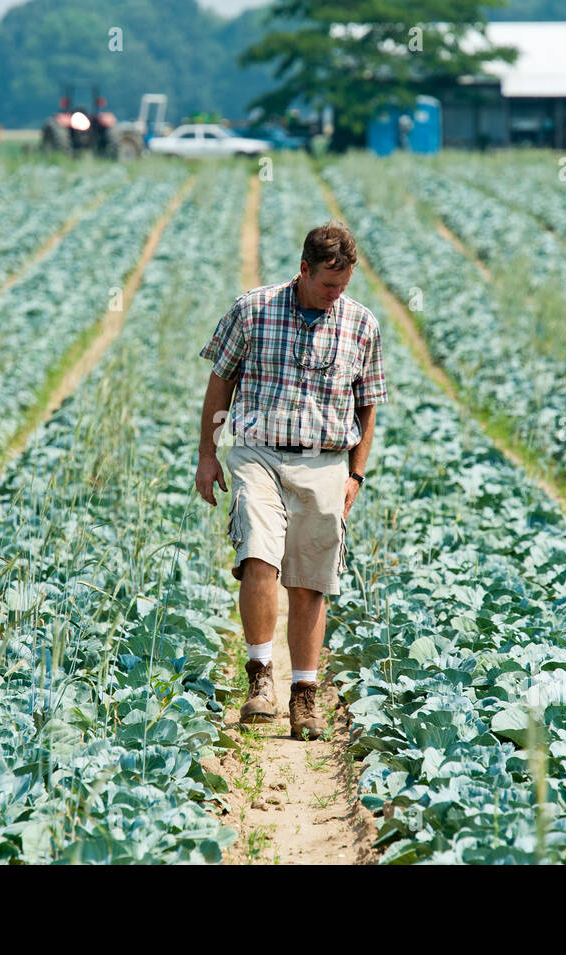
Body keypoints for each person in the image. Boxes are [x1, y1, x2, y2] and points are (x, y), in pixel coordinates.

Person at [194, 221, 388, 740]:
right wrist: (207, 454)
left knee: (310, 581)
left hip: (325, 462)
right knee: (258, 556)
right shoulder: (252, 310)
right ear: (304, 269)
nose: (335, 295)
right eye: (328, 285)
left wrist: (357, 473)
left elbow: (368, 405)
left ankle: (304, 695)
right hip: (258, 454)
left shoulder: (362, 325)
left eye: (343, 286)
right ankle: (260, 677)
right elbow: (221, 381)